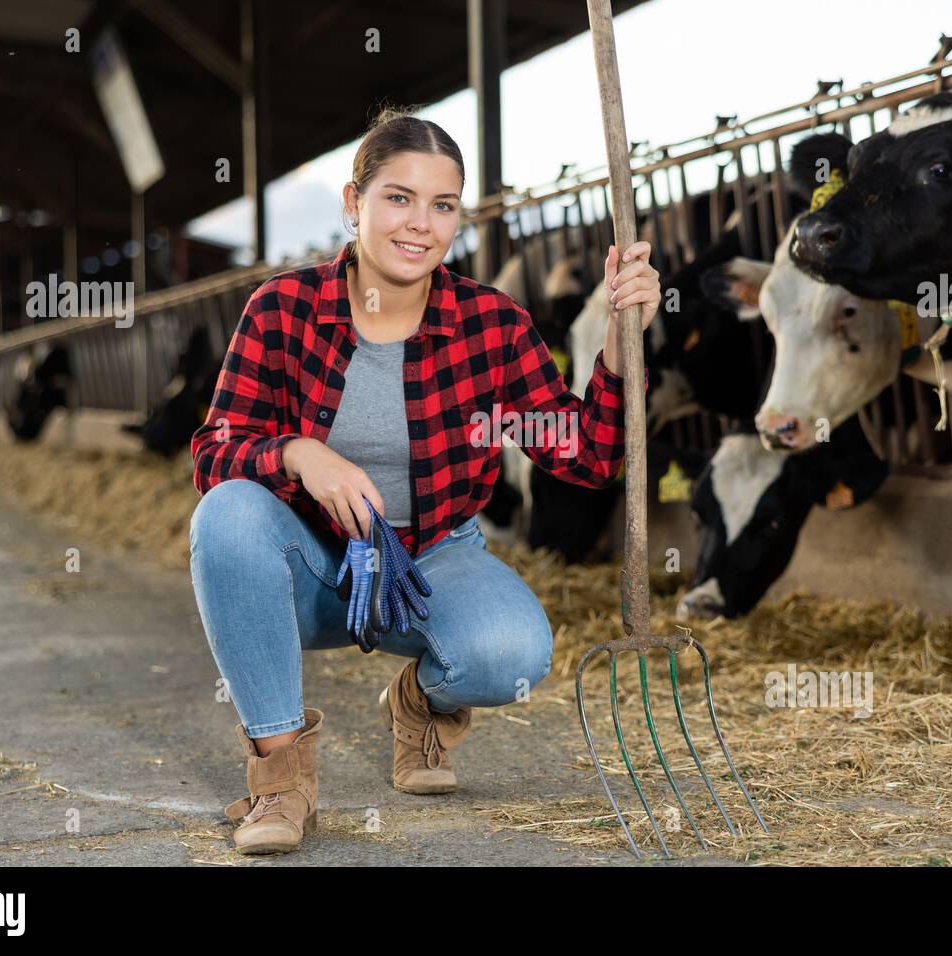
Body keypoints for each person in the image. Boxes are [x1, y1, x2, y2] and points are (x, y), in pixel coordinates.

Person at [188, 105, 660, 855]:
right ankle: (279, 783)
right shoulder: (281, 310)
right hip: (313, 566)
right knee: (227, 515)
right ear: (354, 203)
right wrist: (299, 453)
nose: (420, 225)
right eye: (398, 198)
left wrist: (613, 334)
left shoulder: (492, 325)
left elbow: (589, 456)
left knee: (508, 656)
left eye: (442, 205)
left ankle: (417, 703)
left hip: (433, 559)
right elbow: (214, 452)